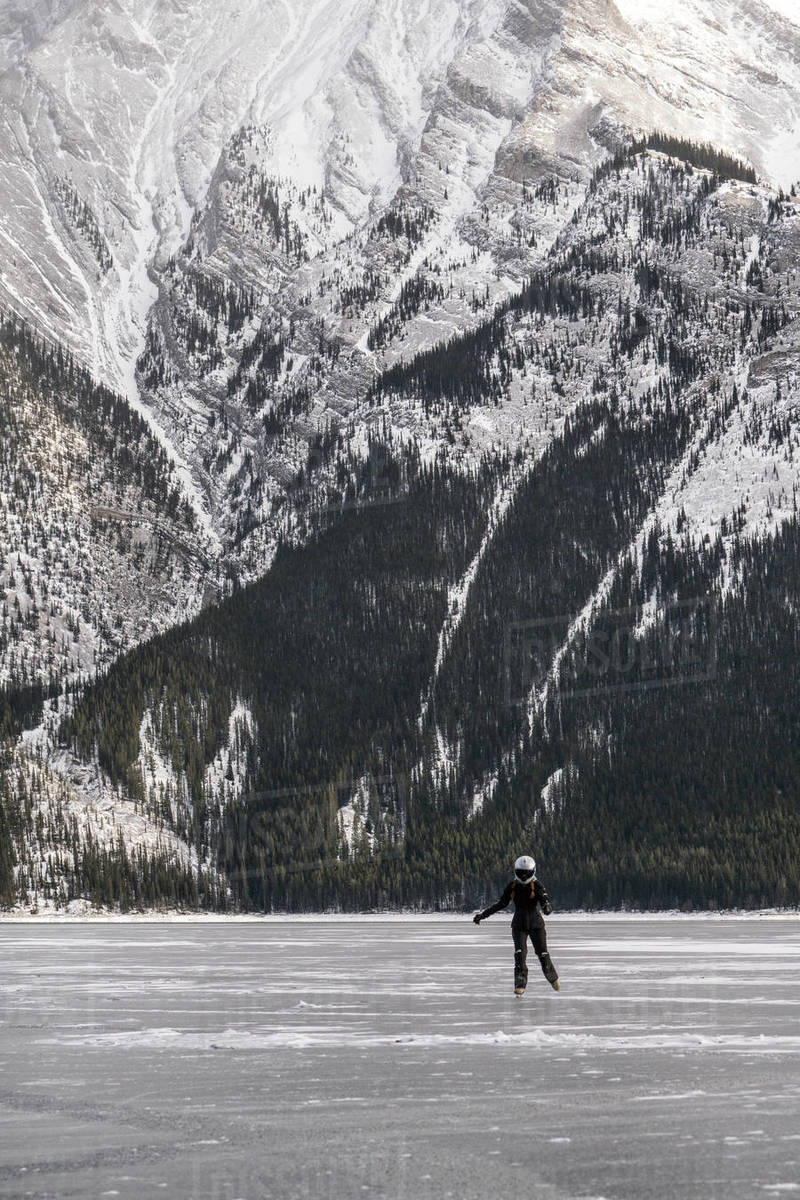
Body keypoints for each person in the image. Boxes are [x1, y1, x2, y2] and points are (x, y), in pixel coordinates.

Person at [472, 855, 560, 995]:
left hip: (536, 925)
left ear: (533, 871)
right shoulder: (512, 886)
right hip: (519, 925)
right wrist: (483, 915)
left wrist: (546, 906)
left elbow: (545, 901)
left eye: (527, 873)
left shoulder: (537, 885)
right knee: (520, 954)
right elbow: (501, 904)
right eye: (521, 873)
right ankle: (520, 984)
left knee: (542, 953)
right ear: (516, 872)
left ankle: (553, 979)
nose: (524, 876)